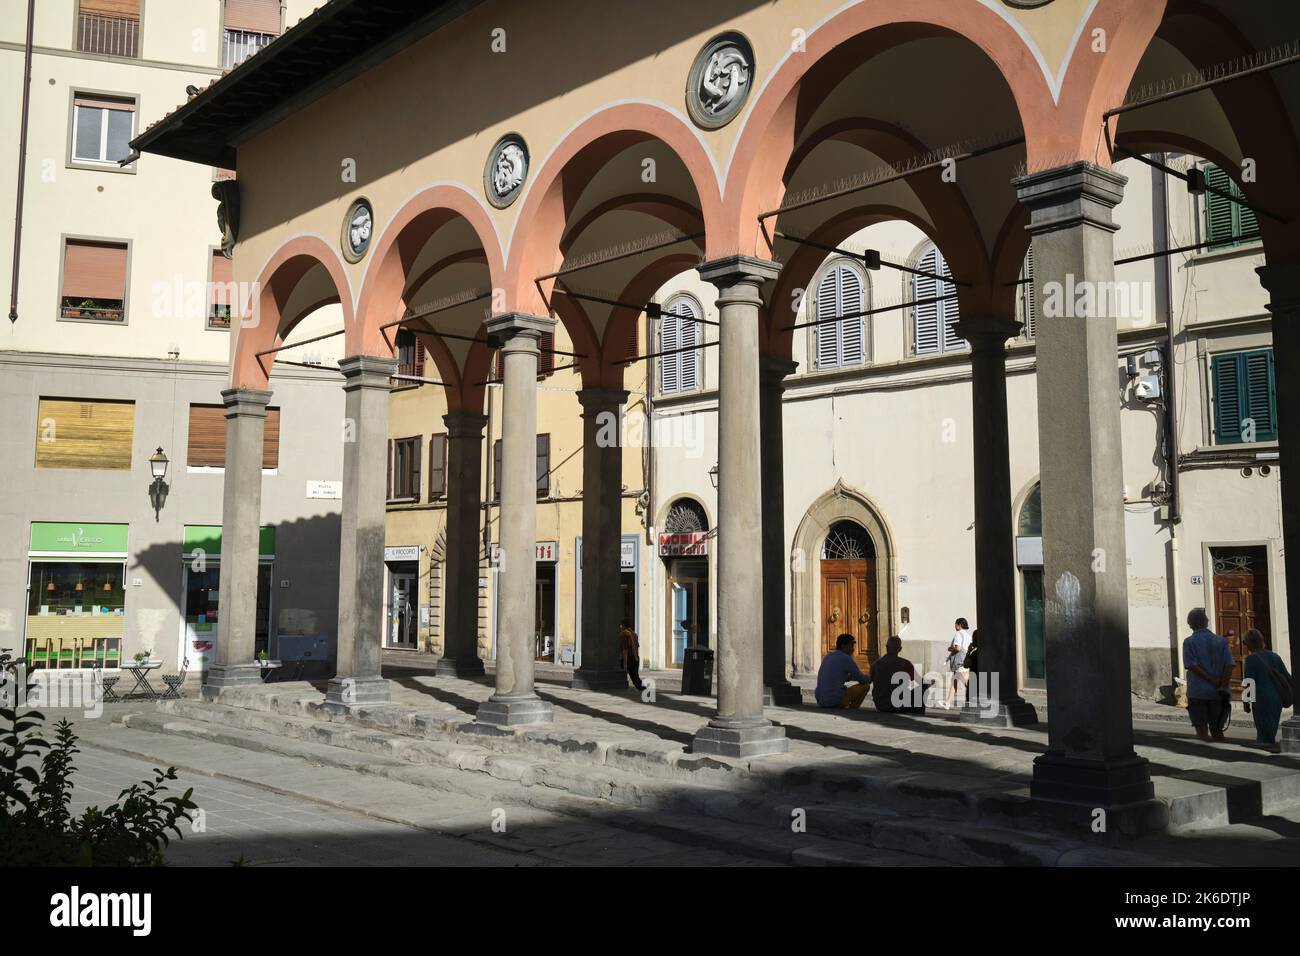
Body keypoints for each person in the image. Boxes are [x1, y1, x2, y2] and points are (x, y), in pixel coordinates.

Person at [1182, 607, 1234, 742]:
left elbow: (1191, 665)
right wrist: (1222, 684)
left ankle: (1205, 753)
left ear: (1191, 624)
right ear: (1206, 622)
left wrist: (1211, 680)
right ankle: (1222, 756)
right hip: (1218, 693)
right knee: (1217, 730)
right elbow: (1229, 665)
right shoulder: (1221, 641)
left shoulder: (1189, 642)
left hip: (1197, 692)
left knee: (1201, 730)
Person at [1242, 628, 1292, 746]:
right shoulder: (1275, 656)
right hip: (1276, 698)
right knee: (1271, 729)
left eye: (1245, 642)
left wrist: (1246, 702)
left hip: (1261, 700)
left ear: (1249, 643)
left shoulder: (1251, 659)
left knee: (1263, 731)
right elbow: (1288, 677)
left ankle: (1265, 753)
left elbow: (1250, 683)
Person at [815, 633, 872, 709]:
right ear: (843, 645)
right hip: (835, 700)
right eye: (851, 646)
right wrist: (871, 677)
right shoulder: (846, 658)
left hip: (821, 701)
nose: (853, 649)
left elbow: (834, 677)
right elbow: (863, 680)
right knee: (865, 686)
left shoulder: (828, 656)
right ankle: (853, 708)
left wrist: (848, 678)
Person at [871, 635, 926, 713]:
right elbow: (919, 681)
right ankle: (918, 716)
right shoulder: (905, 664)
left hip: (880, 704)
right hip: (897, 705)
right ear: (900, 649)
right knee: (922, 688)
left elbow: (871, 679)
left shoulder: (875, 664)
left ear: (886, 647)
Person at [944, 618, 973, 710]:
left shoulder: (958, 634)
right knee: (954, 681)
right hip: (965, 658)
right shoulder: (968, 635)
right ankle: (947, 703)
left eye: (955, 624)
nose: (954, 626)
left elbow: (958, 648)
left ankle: (975, 699)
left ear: (959, 625)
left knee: (966, 681)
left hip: (959, 660)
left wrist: (950, 648)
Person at [619, 620, 645, 692]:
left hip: (630, 658)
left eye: (621, 625)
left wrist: (624, 663)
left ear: (623, 625)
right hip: (636, 657)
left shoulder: (624, 634)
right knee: (635, 675)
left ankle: (639, 686)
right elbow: (636, 647)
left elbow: (625, 650)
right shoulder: (634, 634)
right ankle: (640, 686)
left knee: (632, 674)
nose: (620, 627)